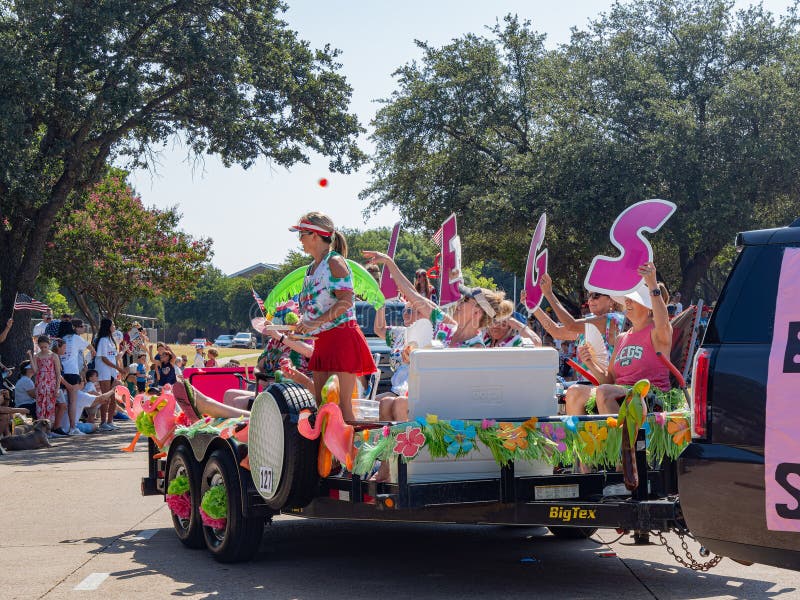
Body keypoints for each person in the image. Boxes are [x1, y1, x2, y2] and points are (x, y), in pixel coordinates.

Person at [364, 250, 511, 425]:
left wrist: (419, 359)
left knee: (400, 404)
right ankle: (392, 443)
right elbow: (413, 295)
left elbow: (462, 388)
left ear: (476, 312)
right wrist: (389, 263)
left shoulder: (476, 348)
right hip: (427, 396)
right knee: (386, 403)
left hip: (450, 405)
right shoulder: (445, 325)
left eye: (465, 301)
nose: (459, 302)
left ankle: (408, 442)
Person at [291, 212, 377, 421]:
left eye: (302, 234)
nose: (299, 240)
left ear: (314, 235)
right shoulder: (311, 268)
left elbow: (346, 301)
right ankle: (327, 444)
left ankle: (352, 443)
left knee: (341, 407)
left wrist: (314, 322)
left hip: (342, 338)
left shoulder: (335, 262)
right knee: (323, 406)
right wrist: (302, 325)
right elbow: (316, 306)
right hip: (323, 341)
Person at [577, 262, 678, 415]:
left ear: (648, 306)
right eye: (627, 298)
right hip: (620, 393)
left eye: (634, 299)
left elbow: (663, 322)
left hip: (649, 396)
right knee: (575, 392)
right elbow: (609, 380)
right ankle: (584, 433)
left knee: (605, 392)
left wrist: (652, 285)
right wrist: (590, 363)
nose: (627, 302)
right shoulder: (621, 338)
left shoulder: (657, 332)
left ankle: (617, 432)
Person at [529, 273, 626, 414]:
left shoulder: (612, 320)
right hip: (589, 384)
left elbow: (571, 325)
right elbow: (556, 331)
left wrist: (549, 294)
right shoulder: (589, 323)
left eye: (596, 295)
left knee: (573, 392)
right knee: (550, 388)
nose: (590, 300)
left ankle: (575, 429)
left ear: (612, 300)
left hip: (606, 385)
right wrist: (533, 307)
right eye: (589, 295)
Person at [60, 319, 95, 435]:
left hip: (61, 372)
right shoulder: (75, 338)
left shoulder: (60, 339)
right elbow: (90, 348)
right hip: (72, 372)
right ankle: (72, 428)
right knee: (72, 402)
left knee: (62, 401)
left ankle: (59, 426)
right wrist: (91, 354)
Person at [93, 318, 121, 430]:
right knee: (105, 397)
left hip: (112, 371)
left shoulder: (111, 339)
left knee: (113, 397)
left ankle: (110, 421)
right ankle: (103, 422)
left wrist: (118, 368)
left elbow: (113, 357)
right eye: (112, 325)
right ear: (107, 327)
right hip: (104, 371)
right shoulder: (103, 340)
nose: (114, 326)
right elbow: (104, 358)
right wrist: (118, 368)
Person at [28, 335, 60, 428]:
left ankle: (49, 430)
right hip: (40, 384)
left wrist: (57, 388)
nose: (43, 349)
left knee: (50, 407)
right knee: (40, 406)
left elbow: (58, 373)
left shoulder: (54, 356)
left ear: (49, 345)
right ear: (38, 346)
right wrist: (31, 357)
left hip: (51, 384)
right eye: (41, 347)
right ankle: (41, 430)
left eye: (45, 347)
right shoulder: (37, 356)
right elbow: (35, 371)